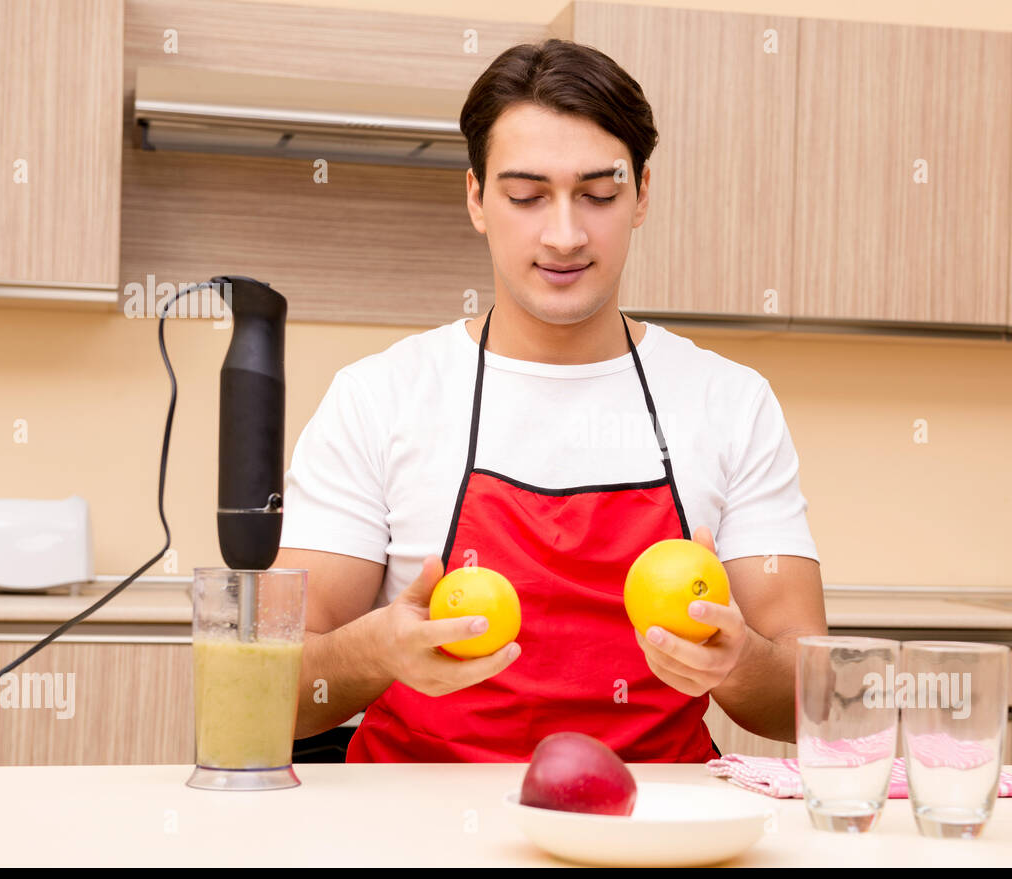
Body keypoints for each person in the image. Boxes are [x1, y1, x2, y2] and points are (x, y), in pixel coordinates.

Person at [275, 37, 827, 762]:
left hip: (654, 831)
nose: (564, 235)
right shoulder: (379, 398)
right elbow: (275, 691)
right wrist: (374, 651)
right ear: (476, 198)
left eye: (599, 195)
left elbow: (812, 698)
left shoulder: (731, 402)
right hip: (418, 829)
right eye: (527, 196)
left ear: (642, 196)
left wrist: (739, 661)